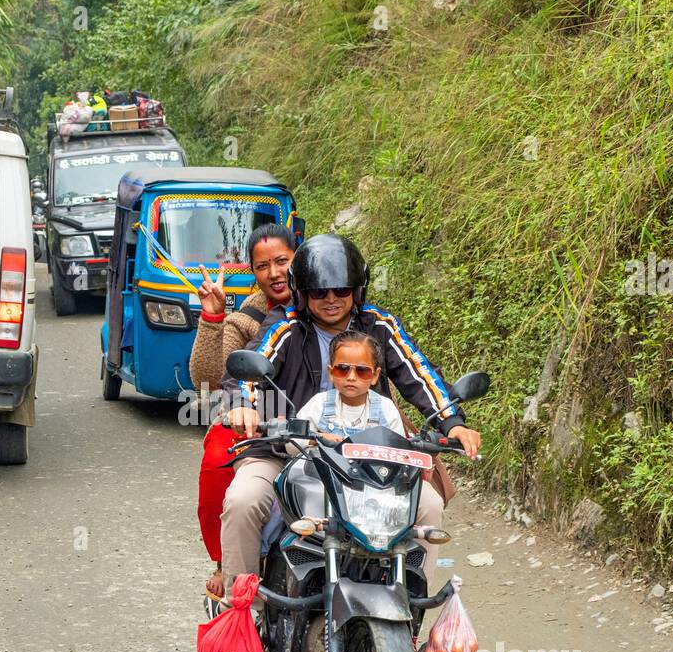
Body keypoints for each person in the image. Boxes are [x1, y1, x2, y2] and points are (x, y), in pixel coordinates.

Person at [218, 233, 480, 595]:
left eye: (341, 290)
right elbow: (247, 371)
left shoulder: (380, 326)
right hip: (289, 451)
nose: (330, 300)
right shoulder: (284, 325)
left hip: (369, 460)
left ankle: (408, 610)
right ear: (301, 291)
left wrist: (453, 421)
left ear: (357, 290)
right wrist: (243, 406)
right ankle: (243, 609)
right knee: (243, 501)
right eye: (318, 291)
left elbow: (419, 373)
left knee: (430, 506)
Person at [188, 223, 296, 597]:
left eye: (282, 261)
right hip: (256, 417)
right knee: (218, 456)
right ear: (253, 274)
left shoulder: (327, 304)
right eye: (263, 266)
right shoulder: (249, 319)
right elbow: (208, 379)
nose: (274, 273)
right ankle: (226, 562)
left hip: (325, 415)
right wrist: (214, 318)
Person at [296, 330, 404, 442]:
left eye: (362, 370)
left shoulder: (386, 408)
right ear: (331, 373)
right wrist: (316, 439)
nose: (351, 377)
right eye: (342, 369)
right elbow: (291, 442)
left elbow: (401, 450)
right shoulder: (318, 403)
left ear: (375, 376)